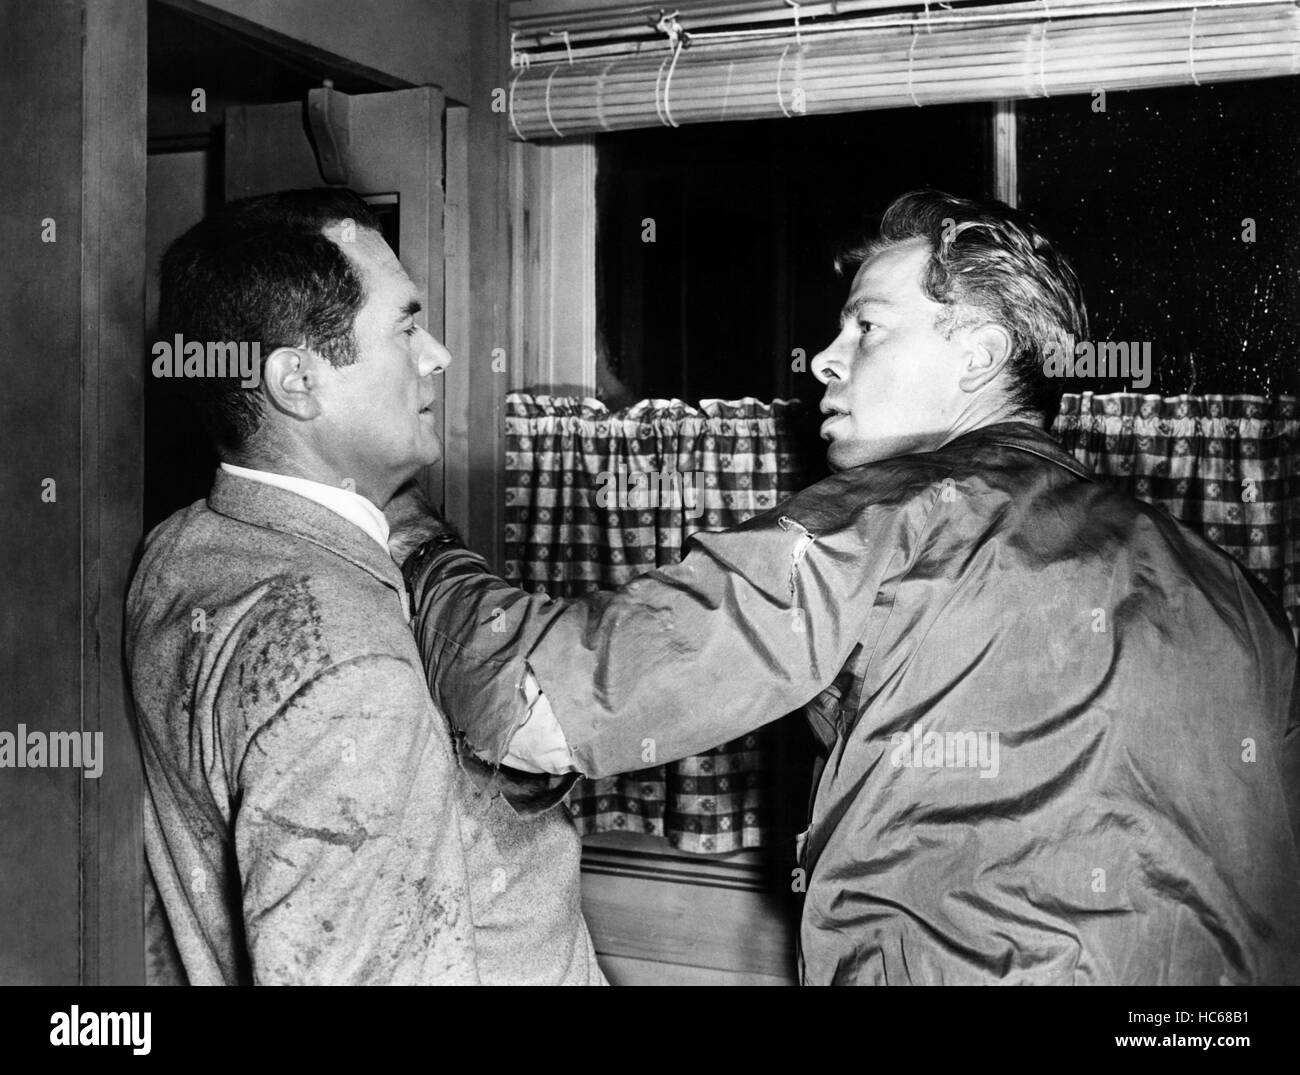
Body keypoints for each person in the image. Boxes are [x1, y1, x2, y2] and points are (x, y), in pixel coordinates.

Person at [399, 189, 1300, 985]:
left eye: (865, 326)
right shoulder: (1232, 590)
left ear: (980, 354)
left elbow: (535, 705)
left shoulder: (889, 517)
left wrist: (413, 538)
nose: (826, 359)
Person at [126, 188, 603, 985]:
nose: (438, 354)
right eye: (406, 324)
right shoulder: (348, 666)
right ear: (298, 381)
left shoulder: (183, 548)